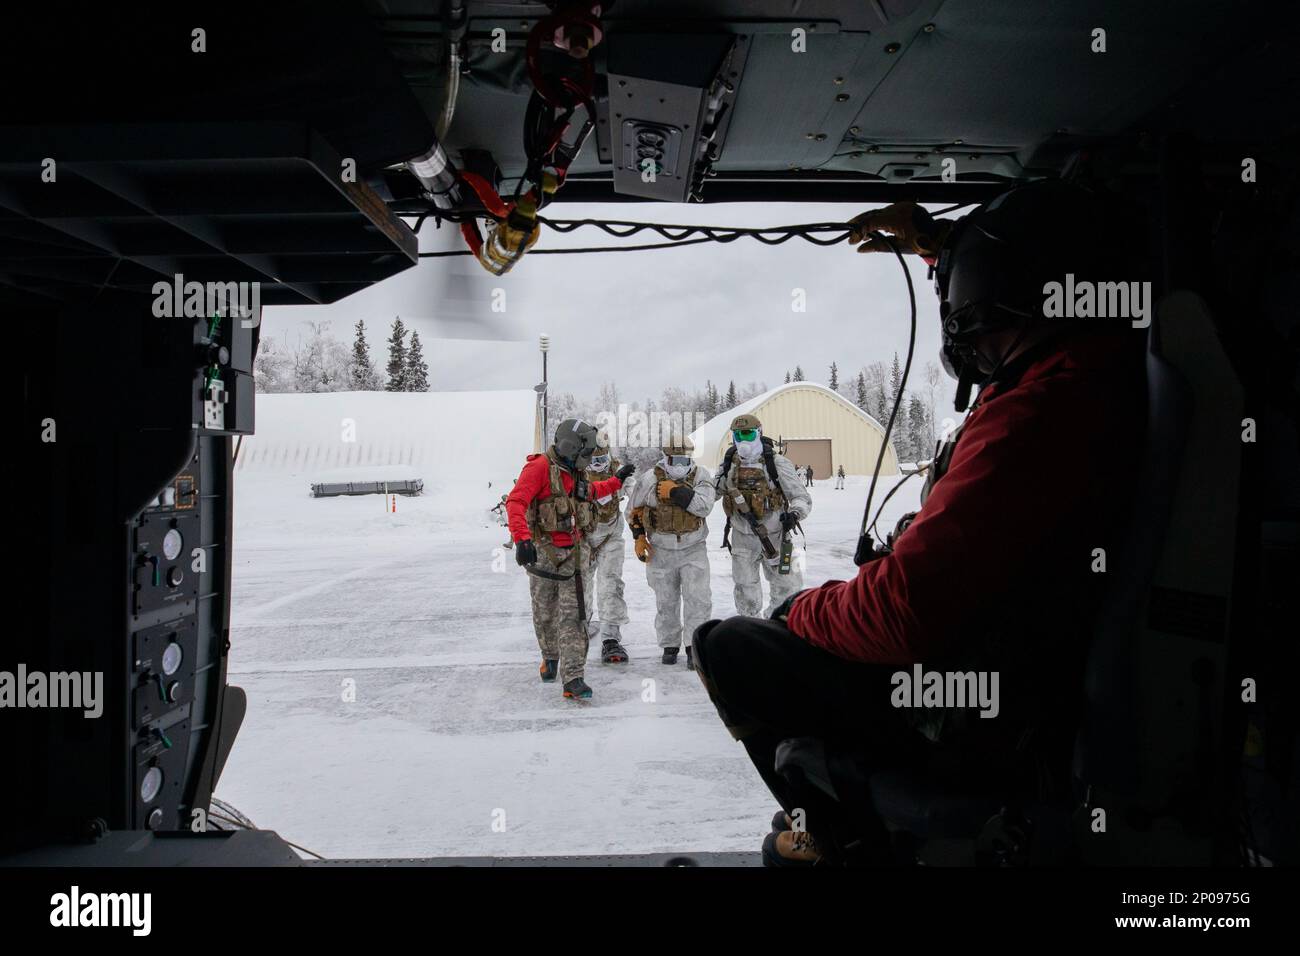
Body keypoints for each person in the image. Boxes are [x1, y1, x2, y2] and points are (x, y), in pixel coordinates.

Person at [691, 180, 1147, 865]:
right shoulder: (1087, 376)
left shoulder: (1037, 417)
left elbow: (905, 610)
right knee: (786, 617)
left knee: (731, 645)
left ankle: (843, 839)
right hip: (1012, 670)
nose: (965, 335)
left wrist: (806, 614)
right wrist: (942, 251)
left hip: (982, 704)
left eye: (973, 313)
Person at [507, 419, 635, 700]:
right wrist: (522, 539)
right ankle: (549, 657)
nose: (588, 460)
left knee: (574, 618)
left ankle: (574, 677)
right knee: (544, 614)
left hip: (574, 557)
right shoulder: (539, 468)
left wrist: (616, 482)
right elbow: (516, 502)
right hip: (543, 556)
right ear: (570, 447)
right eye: (585, 453)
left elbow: (589, 493)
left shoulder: (576, 472)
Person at [626, 437, 716, 669]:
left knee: (698, 600)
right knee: (666, 601)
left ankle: (693, 647)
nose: (679, 464)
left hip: (693, 548)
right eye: (674, 459)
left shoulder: (700, 476)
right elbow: (633, 509)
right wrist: (638, 537)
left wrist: (676, 492)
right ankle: (670, 645)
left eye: (684, 459)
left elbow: (705, 506)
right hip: (661, 549)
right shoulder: (649, 479)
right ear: (665, 457)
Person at [714, 413, 811, 618]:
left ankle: (779, 627)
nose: (743, 440)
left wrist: (795, 514)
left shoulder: (776, 463)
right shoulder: (729, 465)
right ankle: (751, 630)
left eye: (748, 434)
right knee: (745, 589)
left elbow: (801, 496)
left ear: (759, 433)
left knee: (788, 586)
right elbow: (712, 492)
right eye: (738, 436)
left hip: (777, 537)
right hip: (742, 538)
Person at [583, 446, 631, 662]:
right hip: (583, 538)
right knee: (578, 587)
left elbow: (637, 494)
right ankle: (578, 630)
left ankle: (611, 639)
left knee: (610, 585)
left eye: (602, 459)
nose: (598, 464)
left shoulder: (617, 471)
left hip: (610, 536)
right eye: (594, 460)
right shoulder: (578, 472)